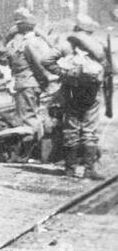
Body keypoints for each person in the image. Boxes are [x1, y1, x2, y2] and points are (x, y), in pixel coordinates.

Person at [46, 15, 107, 180]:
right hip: (92, 93)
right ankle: (89, 170)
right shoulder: (97, 46)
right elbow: (109, 67)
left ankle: (70, 170)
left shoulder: (66, 44)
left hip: (71, 90)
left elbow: (46, 60)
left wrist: (63, 74)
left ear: (76, 29)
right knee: (89, 130)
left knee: (71, 127)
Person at [3, 8, 57, 147]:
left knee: (28, 119)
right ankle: (34, 148)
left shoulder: (30, 43)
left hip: (27, 85)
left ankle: (32, 150)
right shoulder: (26, 41)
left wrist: (46, 80)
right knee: (30, 116)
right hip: (27, 84)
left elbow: (39, 64)